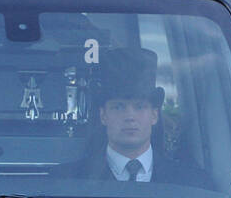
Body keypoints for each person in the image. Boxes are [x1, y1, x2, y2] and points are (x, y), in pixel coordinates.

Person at [58, 48, 169, 182]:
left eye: (139, 107)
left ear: (154, 115)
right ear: (103, 115)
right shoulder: (66, 180)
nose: (130, 117)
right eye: (118, 107)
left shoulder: (190, 183)